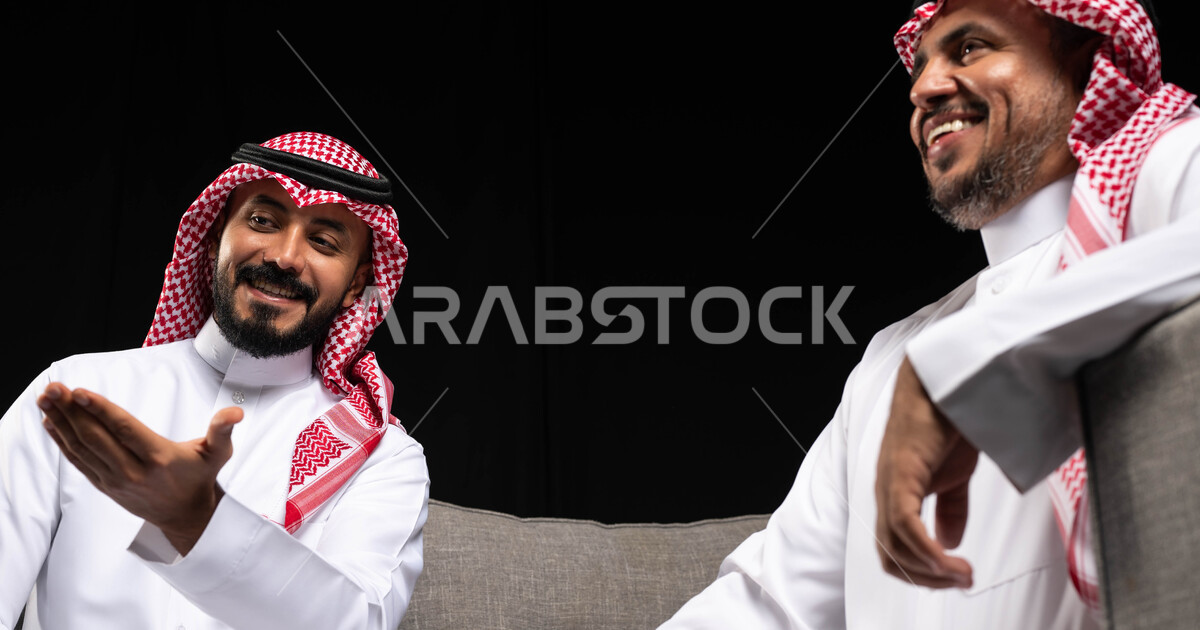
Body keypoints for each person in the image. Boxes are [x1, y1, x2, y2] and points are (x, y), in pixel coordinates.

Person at [659, 0, 1199, 628]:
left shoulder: (1162, 174)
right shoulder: (893, 355)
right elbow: (770, 604)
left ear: (1084, 58)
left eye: (970, 48)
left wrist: (968, 364)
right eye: (919, 66)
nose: (922, 88)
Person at [0, 132, 429, 630]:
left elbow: (359, 622)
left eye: (324, 242)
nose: (286, 256)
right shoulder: (77, 391)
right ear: (213, 238)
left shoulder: (384, 459)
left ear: (356, 284)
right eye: (263, 221)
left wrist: (199, 525)